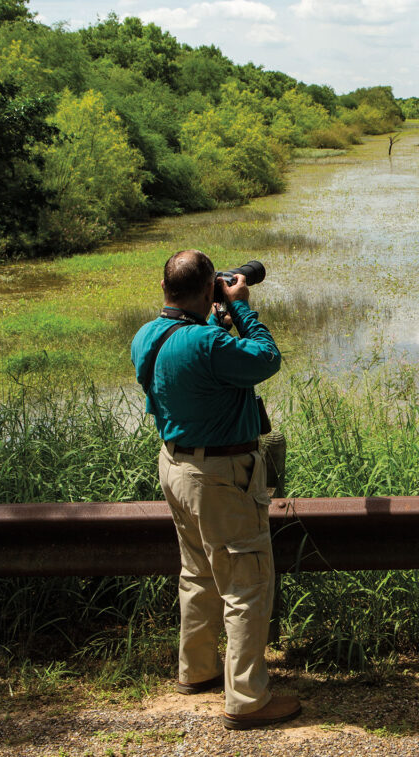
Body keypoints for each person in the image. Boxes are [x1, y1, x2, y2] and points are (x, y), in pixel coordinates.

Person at [130, 249, 301, 731]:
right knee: (246, 581)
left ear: (165, 289)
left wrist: (215, 315)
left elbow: (199, 370)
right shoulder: (207, 342)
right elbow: (266, 359)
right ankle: (247, 699)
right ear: (208, 290)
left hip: (175, 466)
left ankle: (197, 670)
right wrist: (242, 308)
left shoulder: (147, 336)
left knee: (198, 572)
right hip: (221, 476)